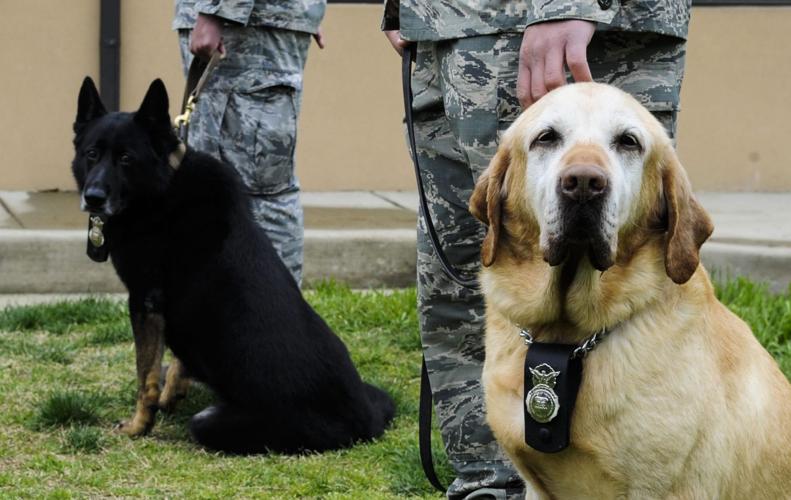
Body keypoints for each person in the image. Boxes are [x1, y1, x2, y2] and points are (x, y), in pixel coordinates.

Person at [382, 0, 691, 498]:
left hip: (550, 20)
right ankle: (489, 483)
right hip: (446, 20)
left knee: (621, 276)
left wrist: (568, 5)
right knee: (467, 266)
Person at [173, 0, 327, 286]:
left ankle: (274, 311)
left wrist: (215, 9)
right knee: (221, 191)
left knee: (251, 193)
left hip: (241, 24)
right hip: (251, 23)